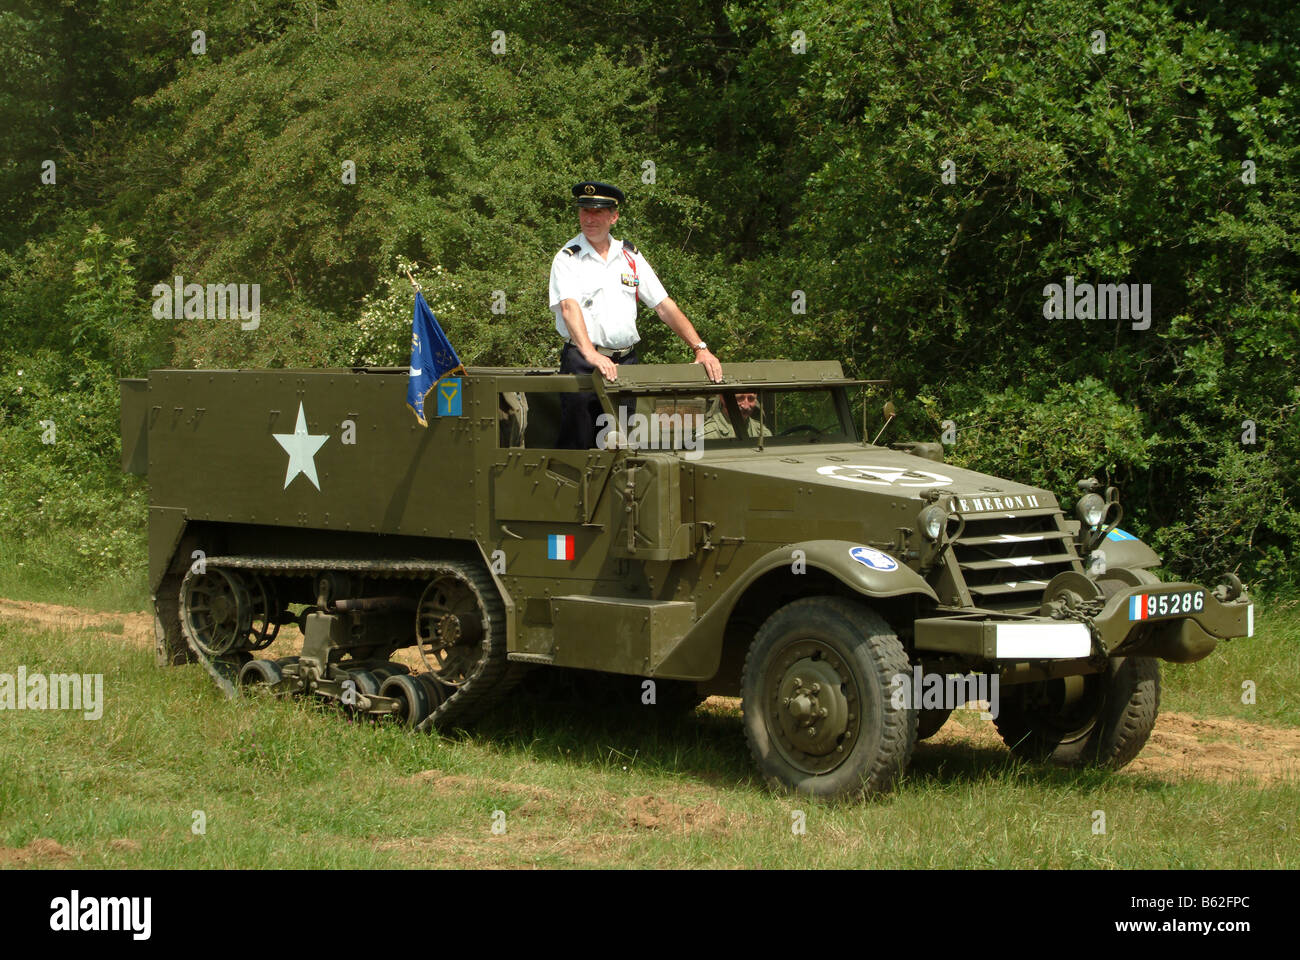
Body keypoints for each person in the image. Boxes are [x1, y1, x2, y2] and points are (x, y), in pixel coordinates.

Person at [549, 180, 722, 449]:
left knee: (621, 447)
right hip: (583, 362)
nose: (589, 219)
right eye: (584, 211)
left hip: (625, 364)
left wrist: (700, 348)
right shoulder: (568, 257)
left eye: (597, 212)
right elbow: (570, 309)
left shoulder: (630, 256)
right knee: (579, 448)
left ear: (614, 217)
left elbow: (663, 306)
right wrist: (591, 354)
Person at [701, 391, 771, 440]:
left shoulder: (762, 432)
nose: (746, 406)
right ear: (723, 399)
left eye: (751, 399)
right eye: (740, 398)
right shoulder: (707, 434)